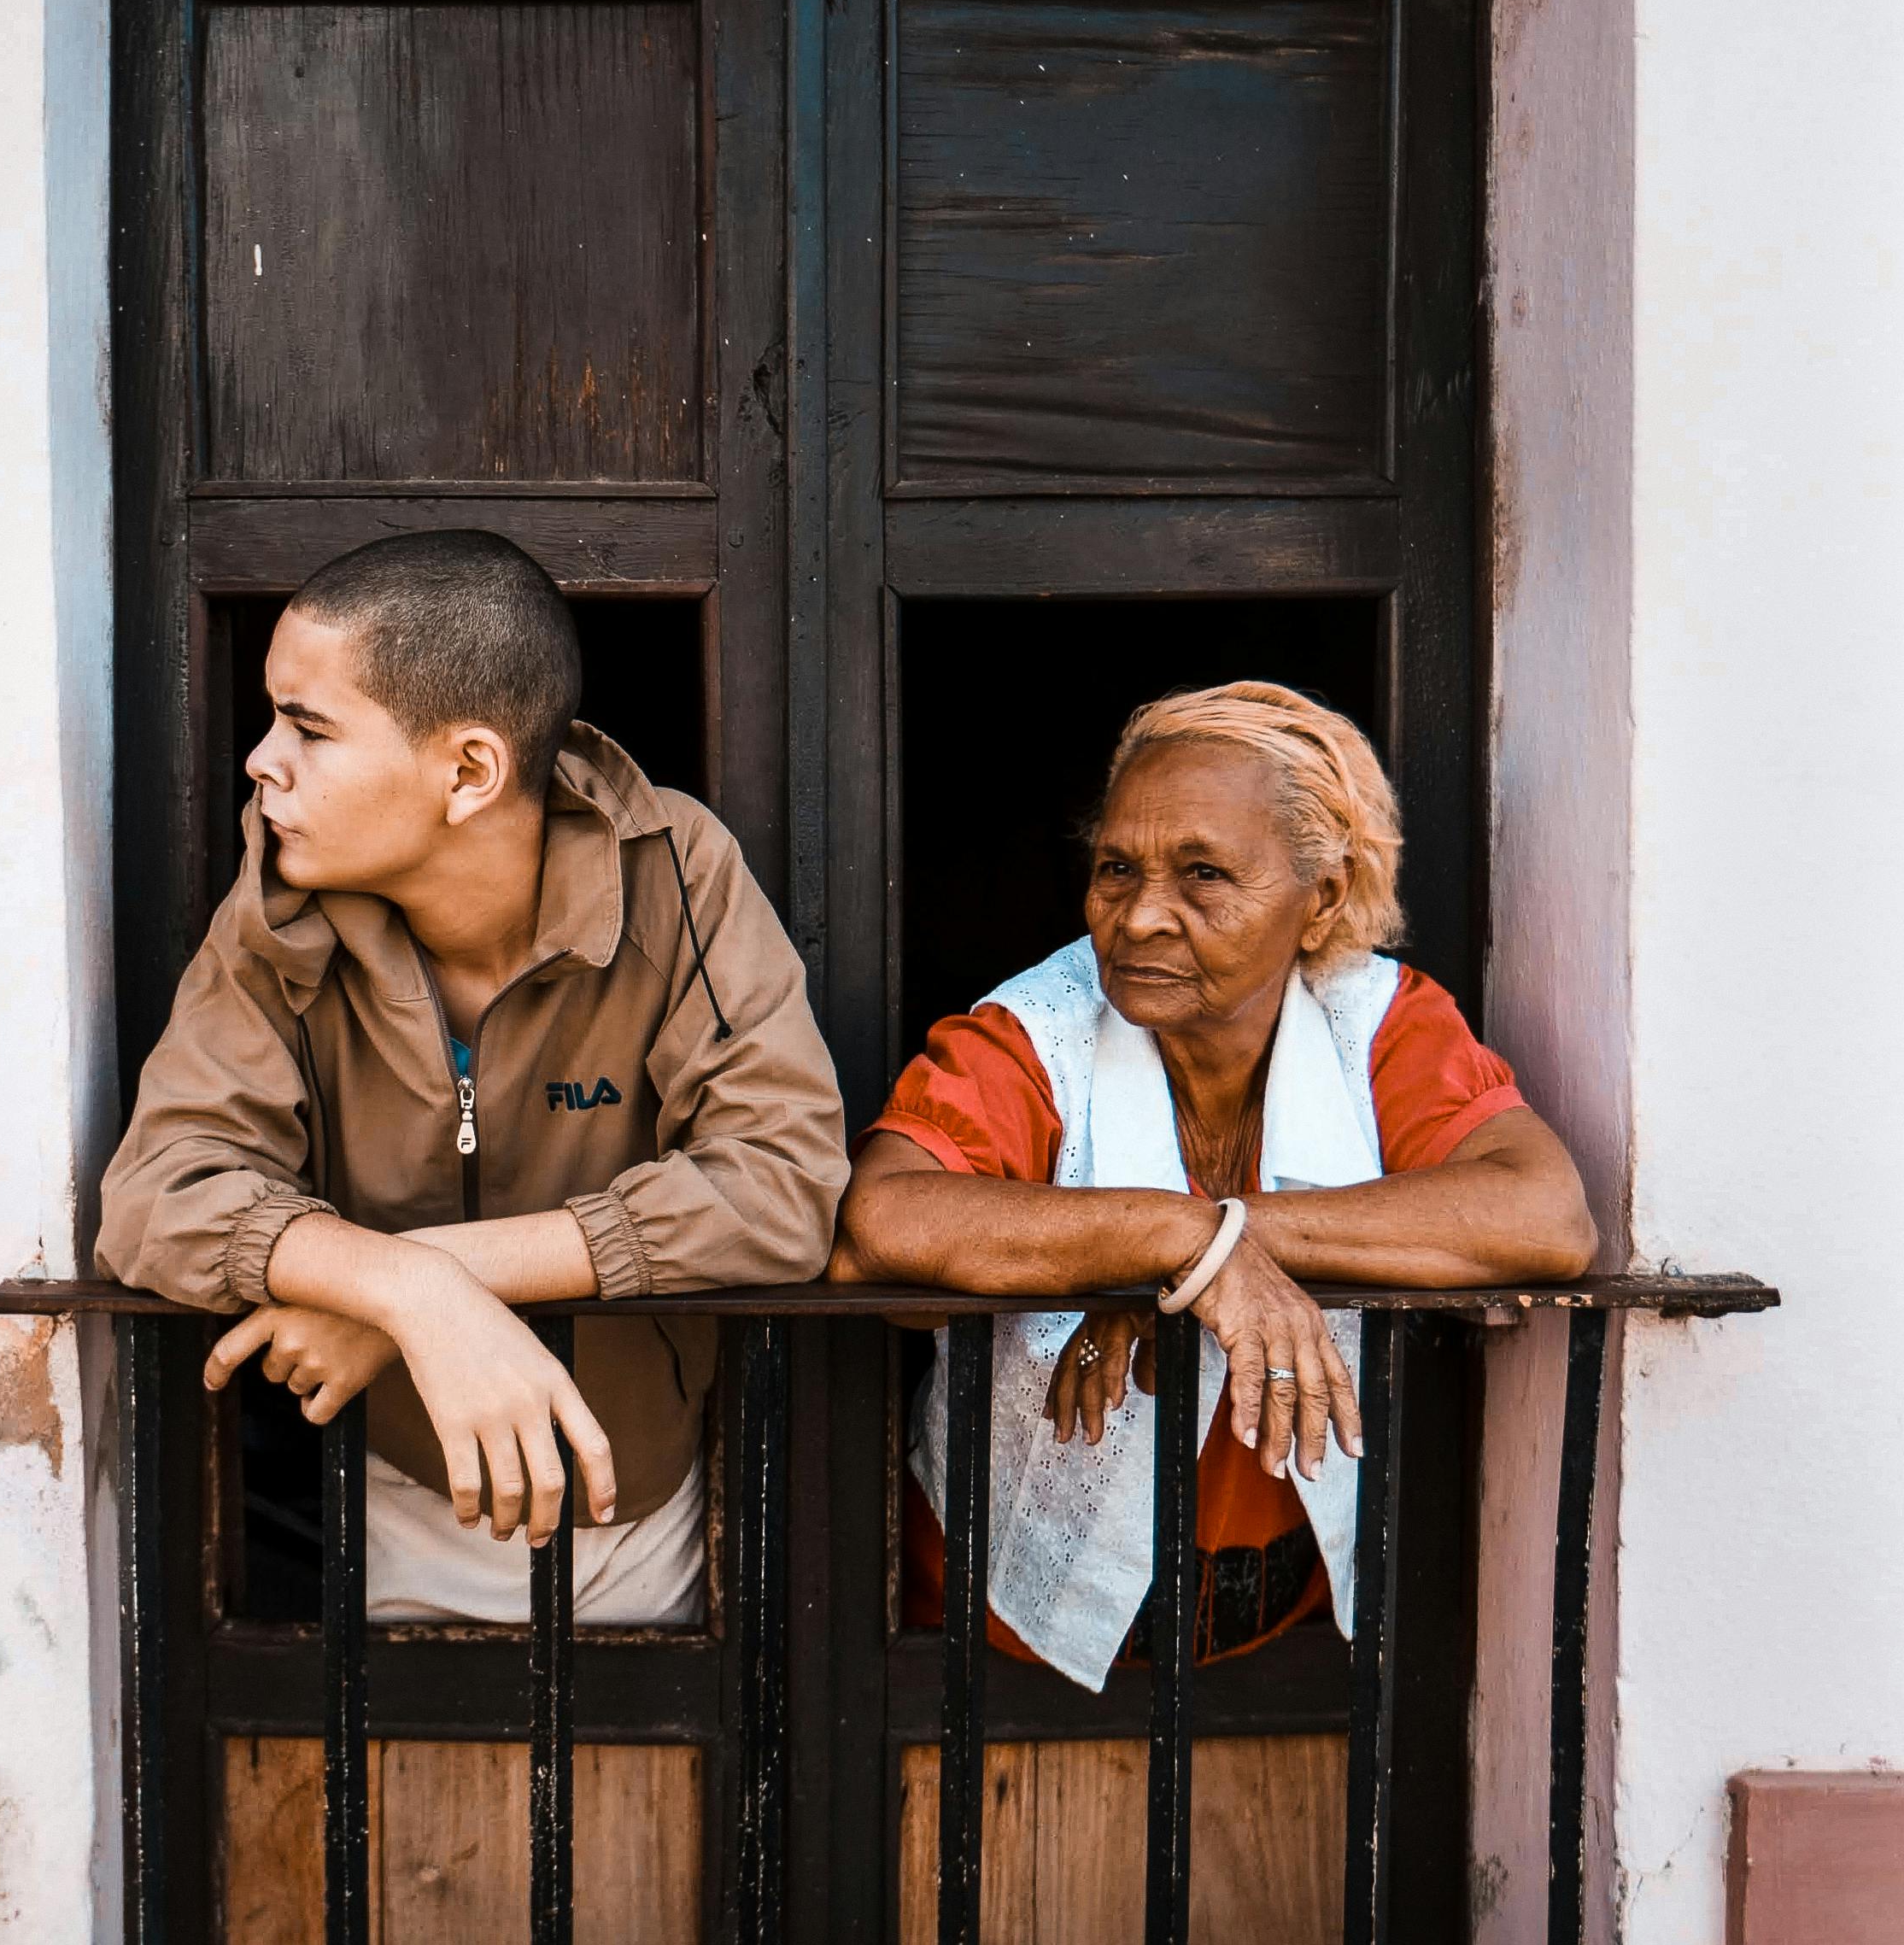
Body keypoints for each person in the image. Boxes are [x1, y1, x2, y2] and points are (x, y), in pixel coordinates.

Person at [94, 530, 848, 1624]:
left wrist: (429, 1274)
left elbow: (783, 1187)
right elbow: (155, 1196)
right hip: (389, 1494)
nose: (261, 760)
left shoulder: (675, 870)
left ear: (470, 771)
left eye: (306, 726)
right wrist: (407, 1295)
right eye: (272, 719)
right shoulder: (278, 908)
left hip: (643, 1515)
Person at [831, 682, 1596, 1688]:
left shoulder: (1380, 1022)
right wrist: (1179, 1249)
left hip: (1282, 1631)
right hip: (996, 1635)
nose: (1141, 915)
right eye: (1116, 868)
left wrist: (1218, 1241)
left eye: (1203, 874)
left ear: (1320, 897)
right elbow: (880, 1222)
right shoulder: (1031, 1033)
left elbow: (1546, 1213)